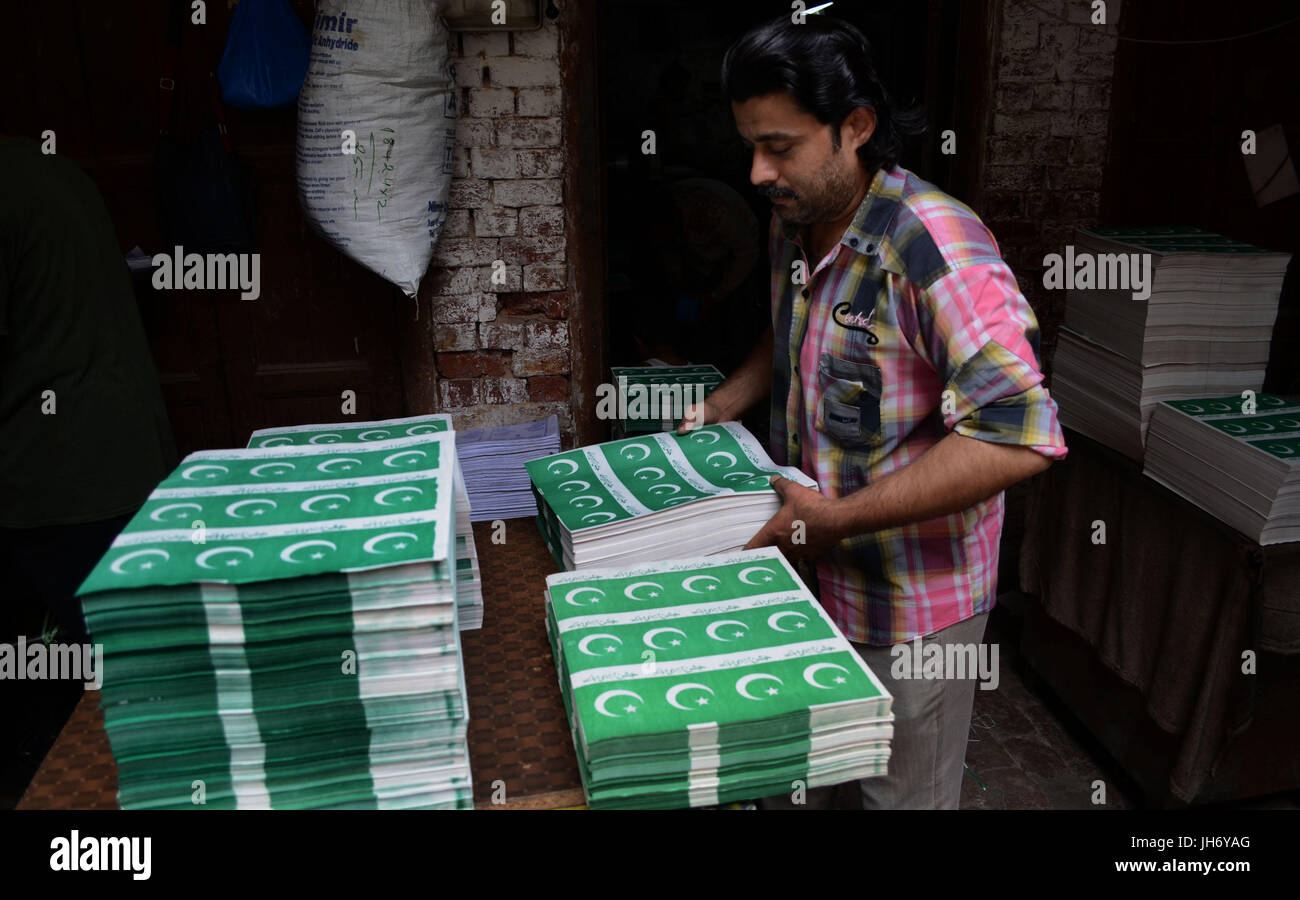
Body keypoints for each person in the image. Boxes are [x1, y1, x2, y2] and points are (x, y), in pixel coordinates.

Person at [680, 15, 1069, 809]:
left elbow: (1019, 438)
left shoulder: (935, 250)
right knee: (813, 781)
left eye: (780, 146)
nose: (757, 171)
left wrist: (835, 520)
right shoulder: (797, 218)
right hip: (814, 577)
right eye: (750, 145)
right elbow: (797, 325)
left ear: (854, 128)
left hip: (912, 606)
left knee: (900, 798)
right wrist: (724, 404)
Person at [0, 134, 176, 653]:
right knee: (134, 652)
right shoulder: (54, 168)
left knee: (116, 666)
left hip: (55, 482)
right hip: (124, 454)